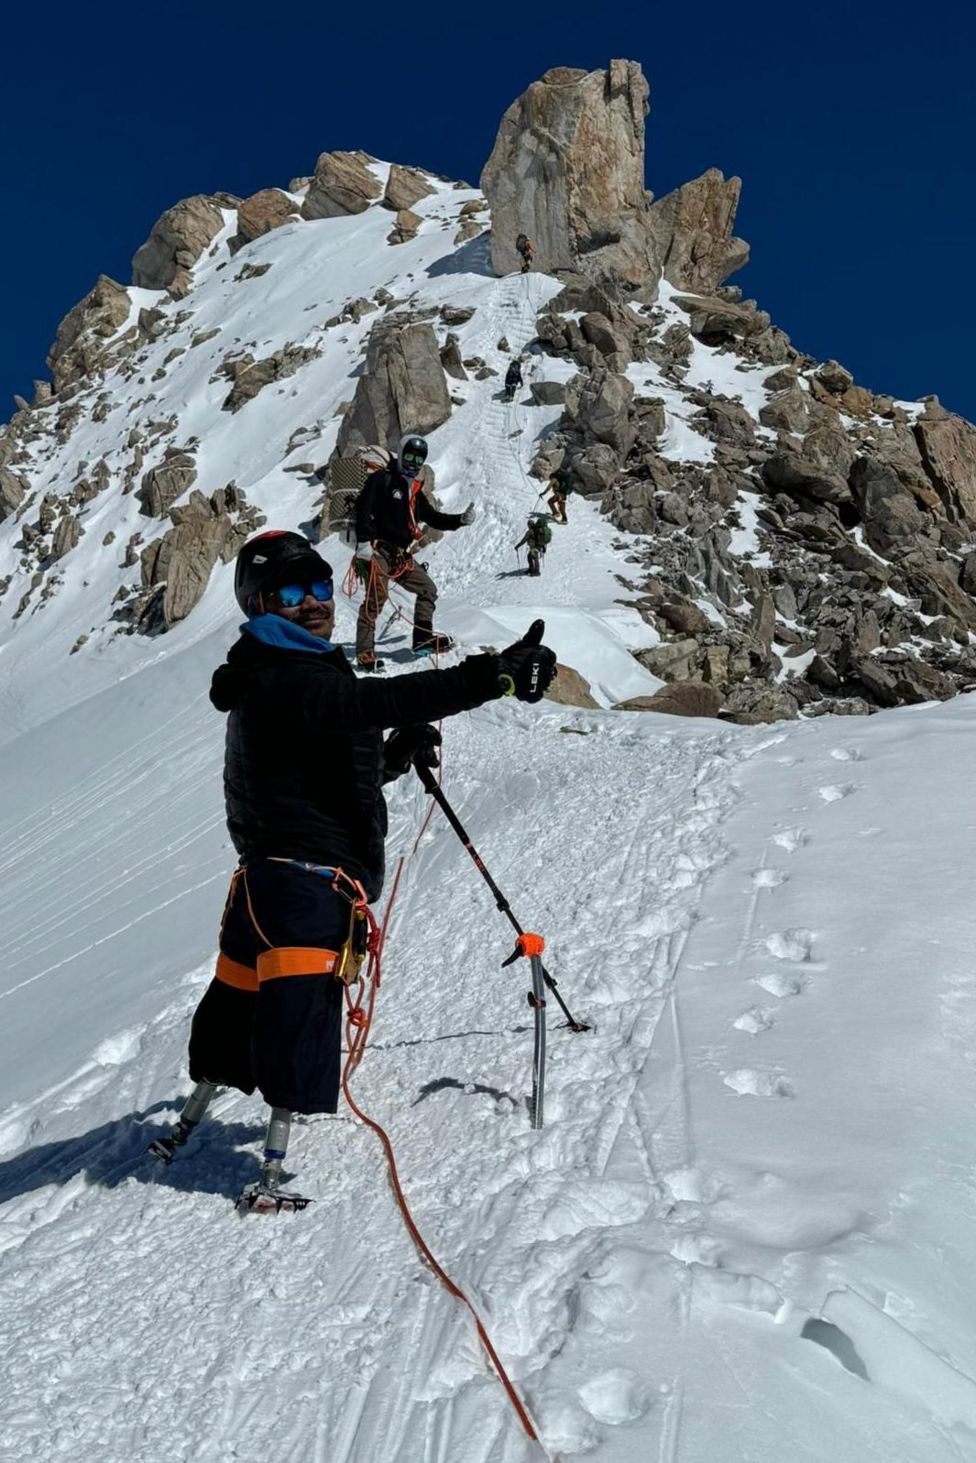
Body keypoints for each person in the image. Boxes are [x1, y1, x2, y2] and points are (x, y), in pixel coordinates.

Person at [154, 530, 557, 1212]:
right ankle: (269, 1175)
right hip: (306, 890)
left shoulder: (273, 672)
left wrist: (388, 759)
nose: (315, 601)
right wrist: (492, 676)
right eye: (291, 592)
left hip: (265, 885)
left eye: (319, 586)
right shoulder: (288, 674)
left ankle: (187, 1123)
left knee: (241, 1002)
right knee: (298, 1013)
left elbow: (315, 770)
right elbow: (372, 704)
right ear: (260, 605)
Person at [353, 433, 473, 672]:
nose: (413, 463)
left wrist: (460, 520)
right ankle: (365, 652)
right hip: (378, 550)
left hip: (400, 556)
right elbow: (363, 509)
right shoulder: (381, 479)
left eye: (419, 460)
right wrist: (363, 542)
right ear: (400, 454)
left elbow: (433, 517)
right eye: (409, 456)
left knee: (428, 589)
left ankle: (422, 638)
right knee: (376, 599)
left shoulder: (414, 490)